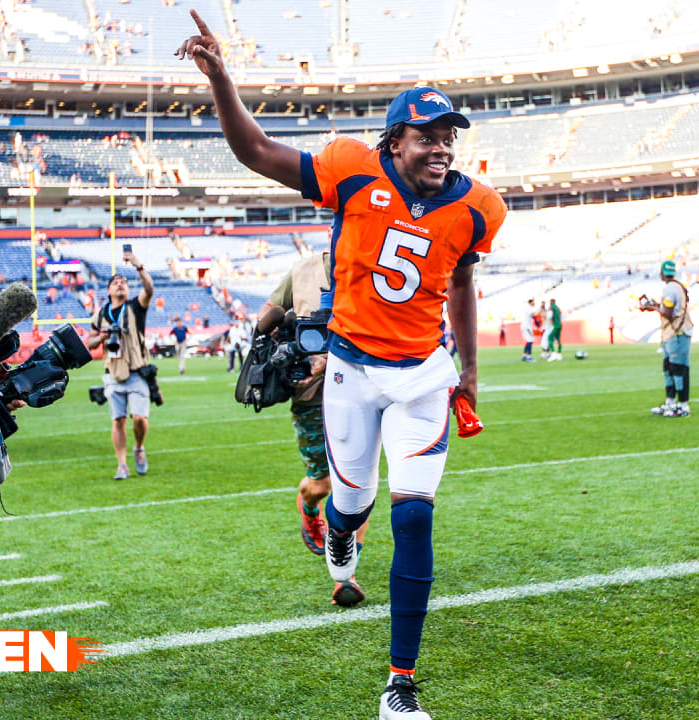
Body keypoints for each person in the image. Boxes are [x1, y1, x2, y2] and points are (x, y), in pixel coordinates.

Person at [178, 13, 508, 718]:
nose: (441, 147)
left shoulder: (478, 207)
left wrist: (470, 372)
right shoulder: (353, 170)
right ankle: (337, 530)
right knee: (352, 503)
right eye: (426, 136)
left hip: (422, 375)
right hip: (351, 372)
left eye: (448, 136)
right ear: (394, 141)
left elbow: (460, 282)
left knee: (413, 518)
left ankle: (400, 685)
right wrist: (222, 81)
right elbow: (257, 151)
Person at [262, 252, 369, 606]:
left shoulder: (372, 264)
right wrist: (282, 344)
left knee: (355, 484)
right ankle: (309, 506)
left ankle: (346, 574)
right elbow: (269, 312)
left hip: (360, 390)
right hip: (311, 394)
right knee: (321, 484)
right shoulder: (302, 270)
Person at [85, 253, 154, 481]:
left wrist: (138, 265)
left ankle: (139, 447)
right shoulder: (101, 314)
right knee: (118, 420)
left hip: (137, 371)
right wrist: (102, 337)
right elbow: (90, 342)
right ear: (109, 291)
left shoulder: (136, 306)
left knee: (139, 418)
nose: (120, 284)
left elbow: (149, 289)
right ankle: (122, 464)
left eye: (123, 282)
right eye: (115, 282)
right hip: (113, 372)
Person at [642, 260, 693, 417]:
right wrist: (657, 305)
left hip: (676, 333)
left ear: (662, 273)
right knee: (669, 369)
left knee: (678, 369)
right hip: (672, 333)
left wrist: (651, 307)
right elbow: (668, 308)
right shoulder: (676, 286)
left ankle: (683, 405)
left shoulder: (670, 288)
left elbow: (668, 313)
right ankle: (670, 403)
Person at [520, 297, 536, 362]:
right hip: (527, 326)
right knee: (530, 340)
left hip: (525, 326)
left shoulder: (527, 307)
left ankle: (524, 356)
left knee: (528, 341)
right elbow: (533, 315)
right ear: (530, 302)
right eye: (533, 301)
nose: (534, 303)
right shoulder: (528, 308)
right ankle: (529, 357)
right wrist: (539, 310)